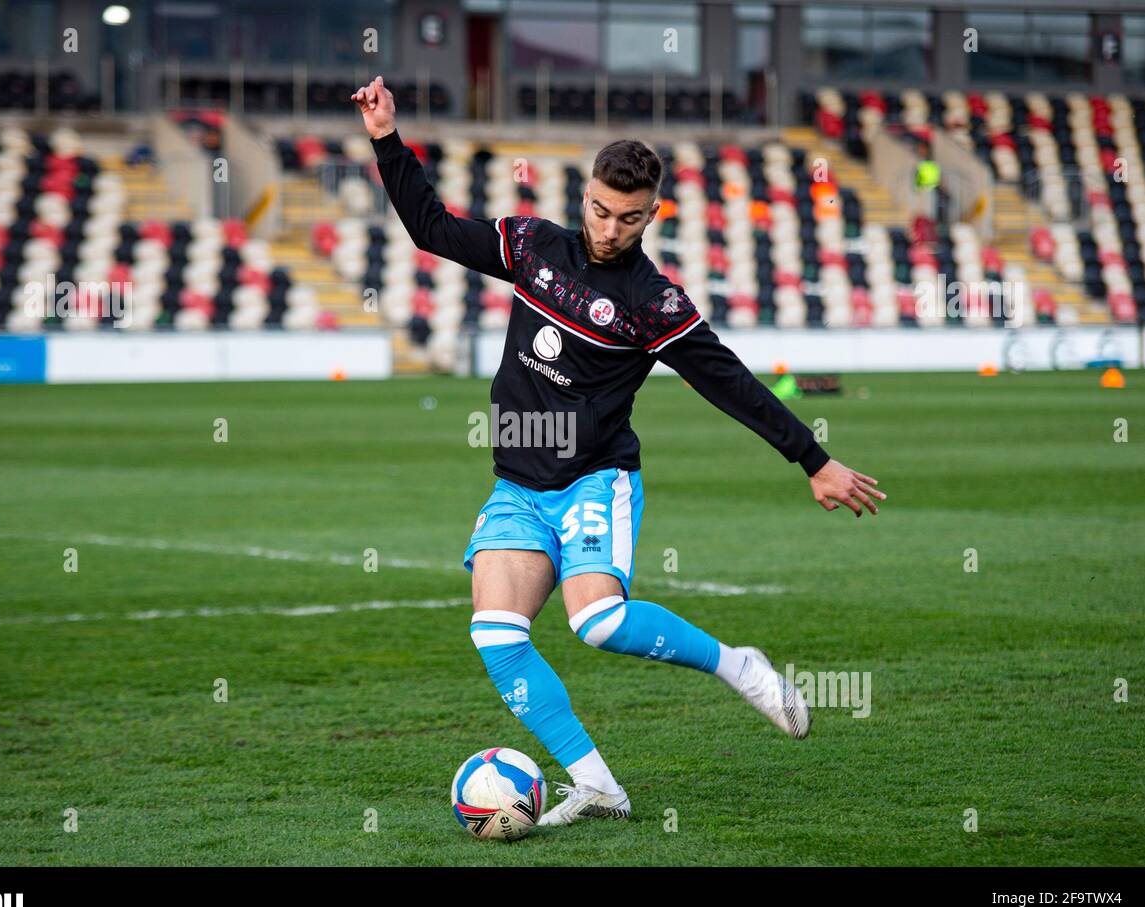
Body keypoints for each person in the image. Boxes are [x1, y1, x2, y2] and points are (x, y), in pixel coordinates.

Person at [353, 76, 886, 827]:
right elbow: (432, 229)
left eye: (628, 218)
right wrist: (385, 138)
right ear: (586, 198)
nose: (609, 230)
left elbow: (727, 382)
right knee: (495, 635)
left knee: (596, 623)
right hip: (517, 485)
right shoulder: (533, 246)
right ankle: (599, 786)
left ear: (652, 215)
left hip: (595, 482)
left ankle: (738, 665)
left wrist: (813, 459)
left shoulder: (653, 301)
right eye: (601, 211)